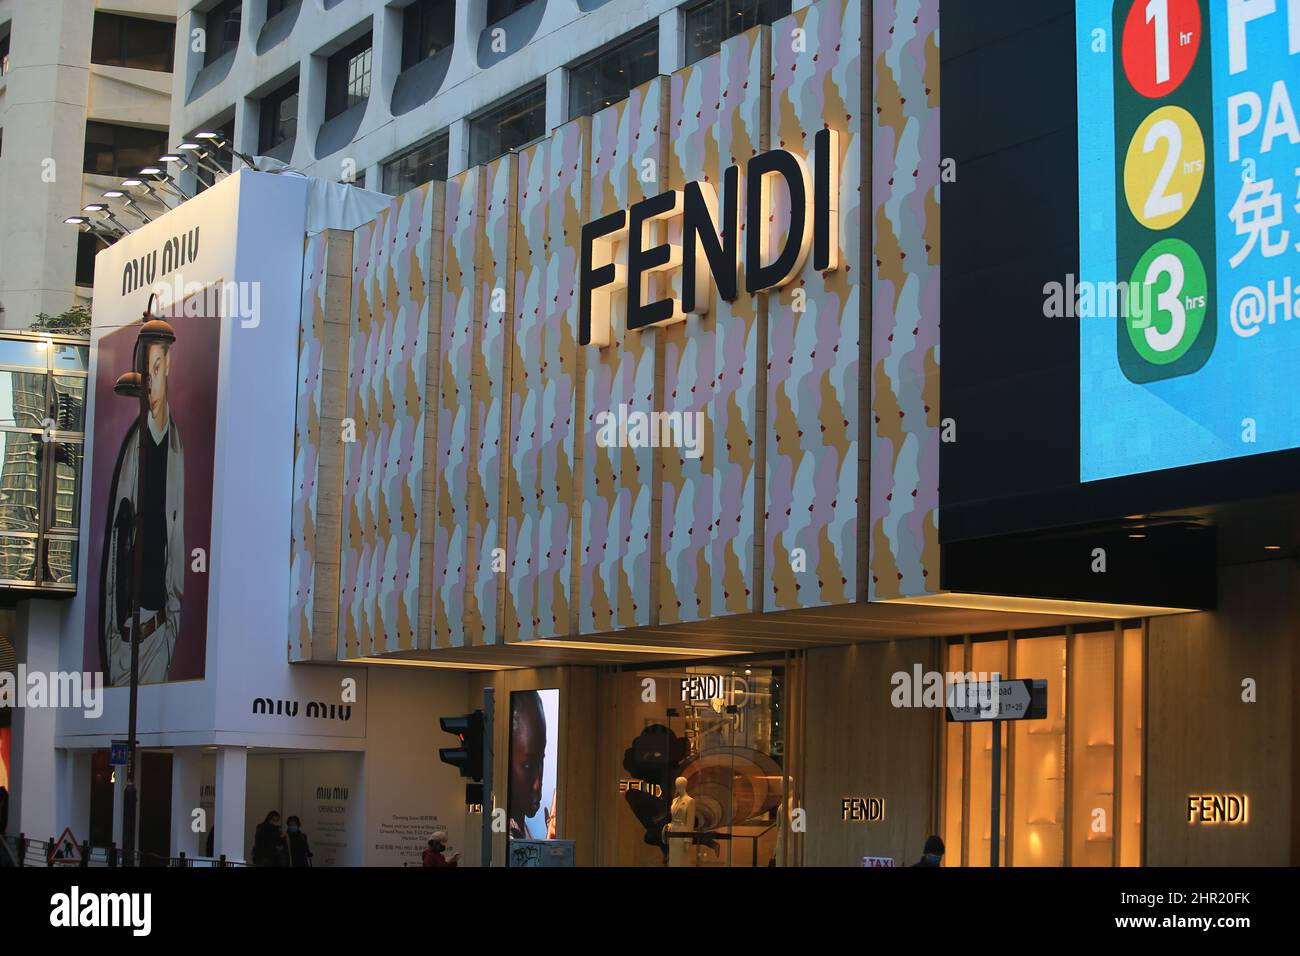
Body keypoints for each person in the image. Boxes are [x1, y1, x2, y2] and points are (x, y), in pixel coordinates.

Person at [100, 326, 186, 686]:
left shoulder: (176, 445)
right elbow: (116, 549)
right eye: (145, 371)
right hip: (124, 641)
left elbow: (177, 544)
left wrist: (171, 630)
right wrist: (111, 637)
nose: (150, 381)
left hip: (157, 636)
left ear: (168, 366)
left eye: (156, 367)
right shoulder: (136, 445)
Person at [507, 691, 551, 840]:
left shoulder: (521, 830)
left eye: (541, 763)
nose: (537, 785)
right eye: (527, 766)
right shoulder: (506, 833)